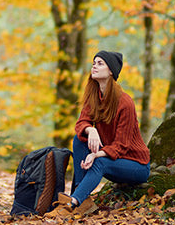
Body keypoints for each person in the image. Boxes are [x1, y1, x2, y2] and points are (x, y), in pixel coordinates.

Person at [50, 50, 150, 218]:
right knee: (79, 139)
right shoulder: (94, 96)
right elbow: (81, 123)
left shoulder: (125, 103)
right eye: (94, 63)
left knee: (100, 162)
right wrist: (92, 130)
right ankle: (82, 199)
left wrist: (96, 155)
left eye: (100, 63)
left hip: (136, 164)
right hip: (113, 158)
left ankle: (71, 204)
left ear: (111, 71)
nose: (94, 66)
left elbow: (121, 146)